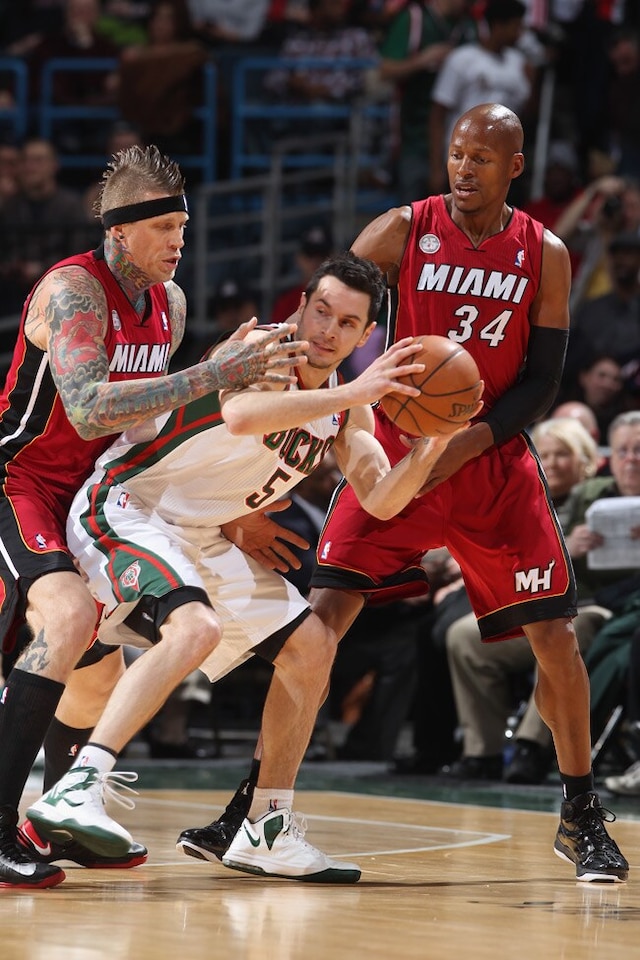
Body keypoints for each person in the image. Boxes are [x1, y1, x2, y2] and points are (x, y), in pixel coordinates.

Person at [188, 102, 630, 883]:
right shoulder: (403, 228)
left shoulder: (546, 252)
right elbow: (319, 320)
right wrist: (289, 378)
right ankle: (254, 810)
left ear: (514, 168)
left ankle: (581, 814)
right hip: (394, 454)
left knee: (556, 640)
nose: (463, 168)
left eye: (481, 158)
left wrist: (460, 442)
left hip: (490, 462)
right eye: (455, 153)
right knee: (315, 630)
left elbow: (540, 385)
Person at [24, 252, 473, 884]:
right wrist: (357, 387)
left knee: (314, 645)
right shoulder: (264, 350)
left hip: (200, 535)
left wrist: (432, 446)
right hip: (129, 502)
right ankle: (79, 786)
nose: (328, 330)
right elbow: (241, 415)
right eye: (321, 310)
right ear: (301, 303)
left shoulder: (348, 409)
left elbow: (380, 496)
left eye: (347, 324)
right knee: (192, 630)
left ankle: (266, 827)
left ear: (366, 335)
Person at [0, 142, 307, 889]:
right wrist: (213, 373)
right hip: (22, 481)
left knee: (99, 677)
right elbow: (88, 403)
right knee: (68, 619)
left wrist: (212, 383)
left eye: (184, 227)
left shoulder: (167, 305)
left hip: (93, 492)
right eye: (165, 227)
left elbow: (144, 419)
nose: (178, 242)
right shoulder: (75, 291)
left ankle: (60, 818)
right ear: (121, 231)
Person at [443, 416, 613, 785]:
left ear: (585, 457)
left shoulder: (601, 494)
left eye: (563, 454)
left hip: (592, 605)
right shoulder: (522, 492)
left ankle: (531, 746)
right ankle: (482, 751)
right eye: (546, 453)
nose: (551, 462)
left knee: (569, 629)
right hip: (534, 608)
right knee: (462, 635)